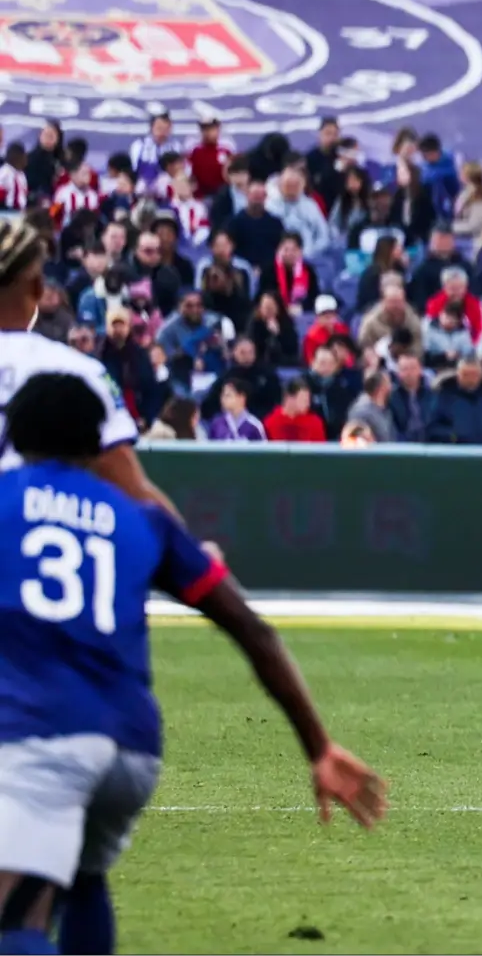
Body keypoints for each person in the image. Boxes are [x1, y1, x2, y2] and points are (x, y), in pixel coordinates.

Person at [0, 372, 386, 956]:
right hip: (133, 749)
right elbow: (253, 630)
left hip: (44, 736)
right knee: (84, 878)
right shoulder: (144, 519)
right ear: (97, 442)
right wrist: (318, 747)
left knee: (14, 925)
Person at [0, 219, 181, 516]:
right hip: (41, 538)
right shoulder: (73, 369)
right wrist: (198, 556)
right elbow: (132, 488)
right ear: (36, 286)